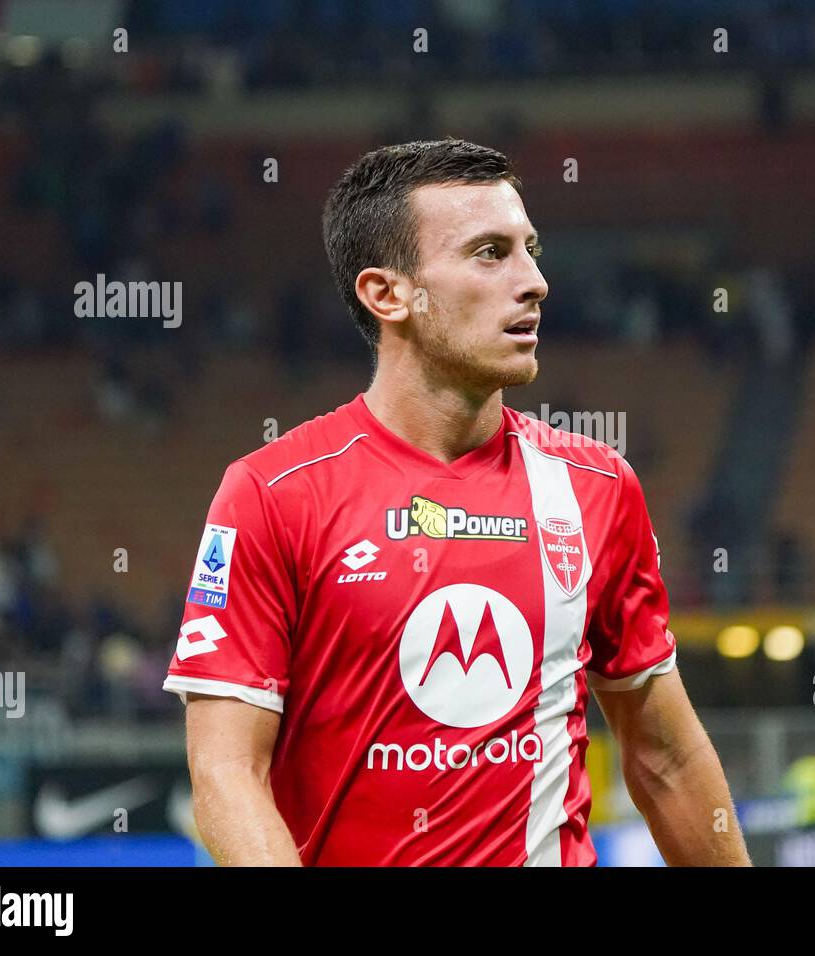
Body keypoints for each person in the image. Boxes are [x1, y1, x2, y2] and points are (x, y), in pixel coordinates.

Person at [162, 138, 749, 867]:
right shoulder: (273, 494)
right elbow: (226, 772)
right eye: (489, 253)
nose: (534, 281)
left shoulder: (596, 488)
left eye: (530, 249)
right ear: (388, 294)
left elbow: (665, 757)